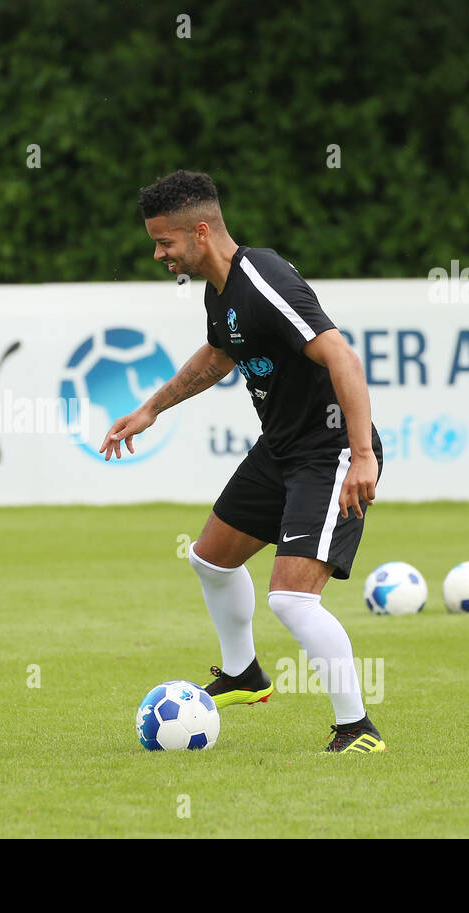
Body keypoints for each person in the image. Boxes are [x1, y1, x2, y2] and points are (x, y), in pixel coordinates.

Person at [100, 170, 386, 754]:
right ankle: (245, 675)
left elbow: (343, 358)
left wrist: (360, 456)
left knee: (292, 598)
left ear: (200, 232)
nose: (160, 255)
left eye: (165, 243)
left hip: (327, 454)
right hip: (280, 450)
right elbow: (220, 355)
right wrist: (152, 408)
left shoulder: (264, 279)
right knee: (209, 560)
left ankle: (357, 728)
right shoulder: (220, 290)